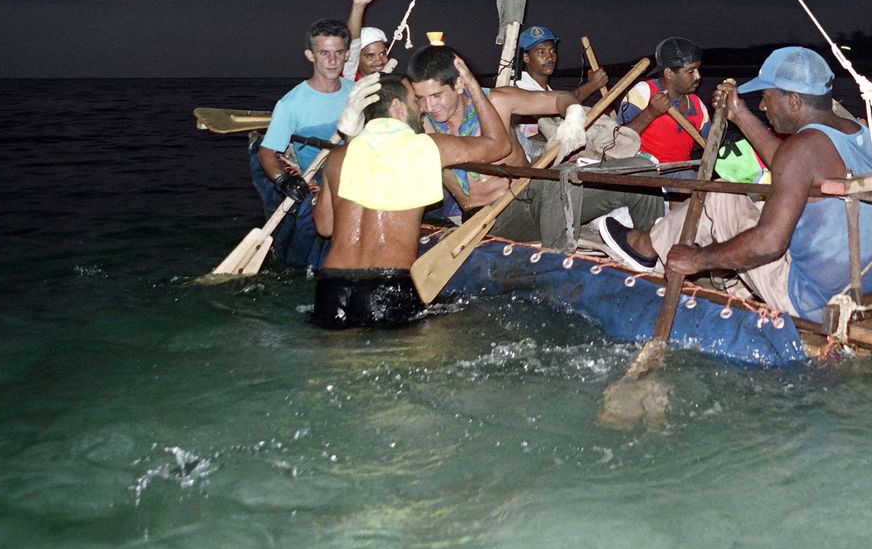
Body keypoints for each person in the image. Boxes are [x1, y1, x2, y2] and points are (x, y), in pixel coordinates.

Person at [594, 47, 872, 324]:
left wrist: (697, 259)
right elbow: (791, 164)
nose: (762, 106)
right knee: (755, 202)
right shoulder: (861, 133)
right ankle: (693, 259)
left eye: (767, 97)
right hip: (862, 287)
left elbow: (770, 244)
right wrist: (739, 113)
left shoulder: (802, 149)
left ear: (794, 101)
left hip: (811, 300)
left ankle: (647, 250)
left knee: (719, 196)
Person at [310, 64, 511, 329]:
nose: (423, 108)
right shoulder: (428, 146)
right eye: (416, 101)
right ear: (397, 107)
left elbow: (325, 228)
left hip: (331, 288)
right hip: (387, 285)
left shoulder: (338, 157)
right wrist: (473, 86)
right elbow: (500, 145)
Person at [410, 45, 663, 246]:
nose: (431, 107)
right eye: (421, 99)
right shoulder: (424, 128)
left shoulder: (498, 101)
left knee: (642, 170)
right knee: (558, 178)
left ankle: (650, 252)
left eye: (436, 96)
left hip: (536, 198)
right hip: (491, 219)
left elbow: (560, 99)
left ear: (459, 84)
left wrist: (573, 115)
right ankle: (557, 260)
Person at [251, 18, 355, 269]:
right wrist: (282, 180)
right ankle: (294, 272)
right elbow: (266, 152)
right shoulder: (291, 104)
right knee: (309, 218)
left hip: (352, 178)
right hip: (316, 182)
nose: (332, 60)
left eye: (338, 52)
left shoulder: (357, 93)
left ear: (347, 55)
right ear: (310, 55)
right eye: (324, 53)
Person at [511, 24, 610, 160]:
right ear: (526, 57)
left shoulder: (547, 90)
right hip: (528, 156)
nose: (549, 57)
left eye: (552, 51)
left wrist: (592, 86)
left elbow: (563, 99)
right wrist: (592, 85)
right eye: (541, 52)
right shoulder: (519, 86)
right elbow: (552, 107)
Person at [617, 36, 709, 167]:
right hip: (645, 171)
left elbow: (711, 145)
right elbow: (617, 141)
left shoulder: (697, 104)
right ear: (669, 72)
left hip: (682, 172)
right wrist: (650, 113)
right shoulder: (643, 92)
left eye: (698, 69)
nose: (698, 76)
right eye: (690, 71)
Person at [342, 0, 391, 80]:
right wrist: (359, 6)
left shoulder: (392, 82)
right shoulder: (350, 79)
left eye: (383, 54)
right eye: (370, 55)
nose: (379, 61)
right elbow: (353, 43)